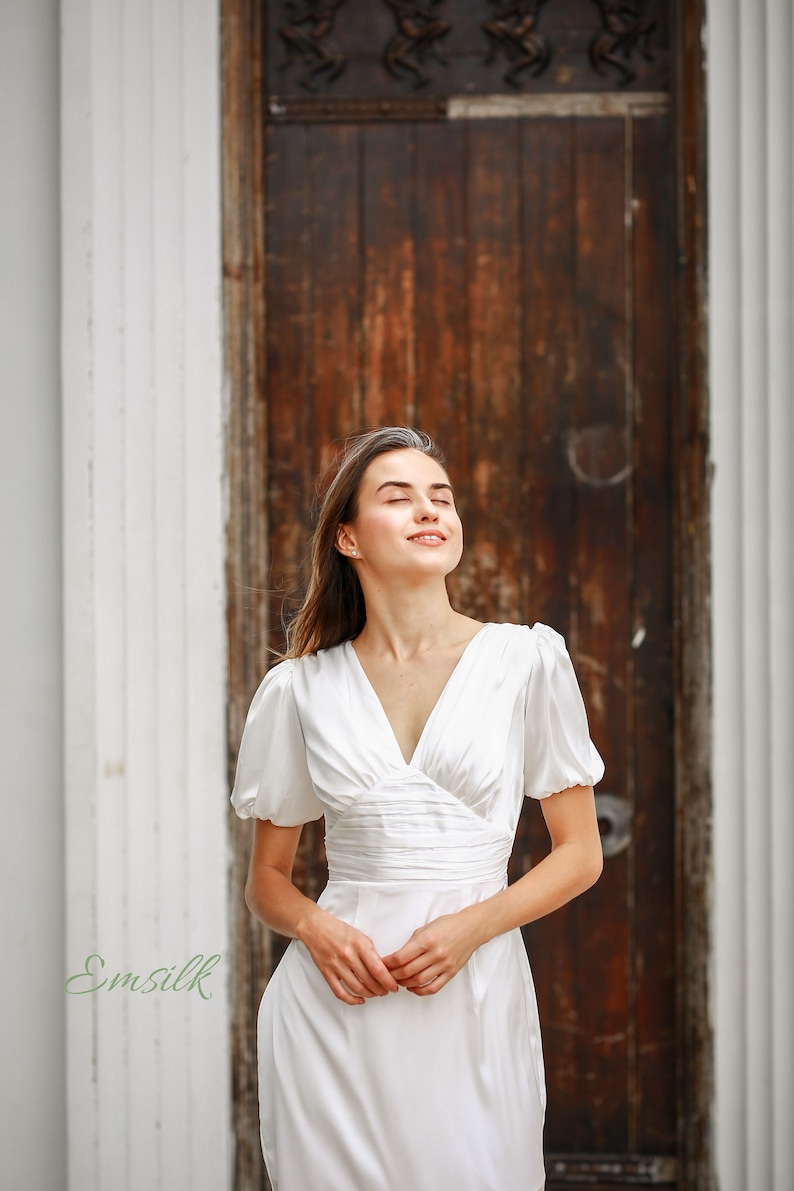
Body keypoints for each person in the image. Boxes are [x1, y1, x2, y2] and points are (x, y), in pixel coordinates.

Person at [231, 426, 605, 1191]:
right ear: (348, 537)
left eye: (442, 496)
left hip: (472, 1000)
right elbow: (268, 881)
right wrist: (316, 927)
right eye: (397, 497)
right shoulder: (301, 689)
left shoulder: (523, 661)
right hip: (334, 1010)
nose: (429, 509)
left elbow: (580, 852)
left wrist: (472, 926)